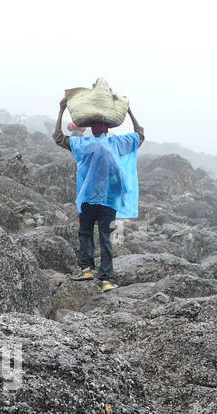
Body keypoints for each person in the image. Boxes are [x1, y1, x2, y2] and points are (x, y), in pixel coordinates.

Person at [53, 98, 145, 291]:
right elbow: (140, 135)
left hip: (88, 198)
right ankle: (106, 279)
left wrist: (61, 110)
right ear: (107, 127)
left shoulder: (84, 143)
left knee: (85, 233)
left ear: (91, 128)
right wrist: (129, 112)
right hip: (110, 200)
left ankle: (86, 269)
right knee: (106, 238)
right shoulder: (118, 142)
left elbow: (58, 137)